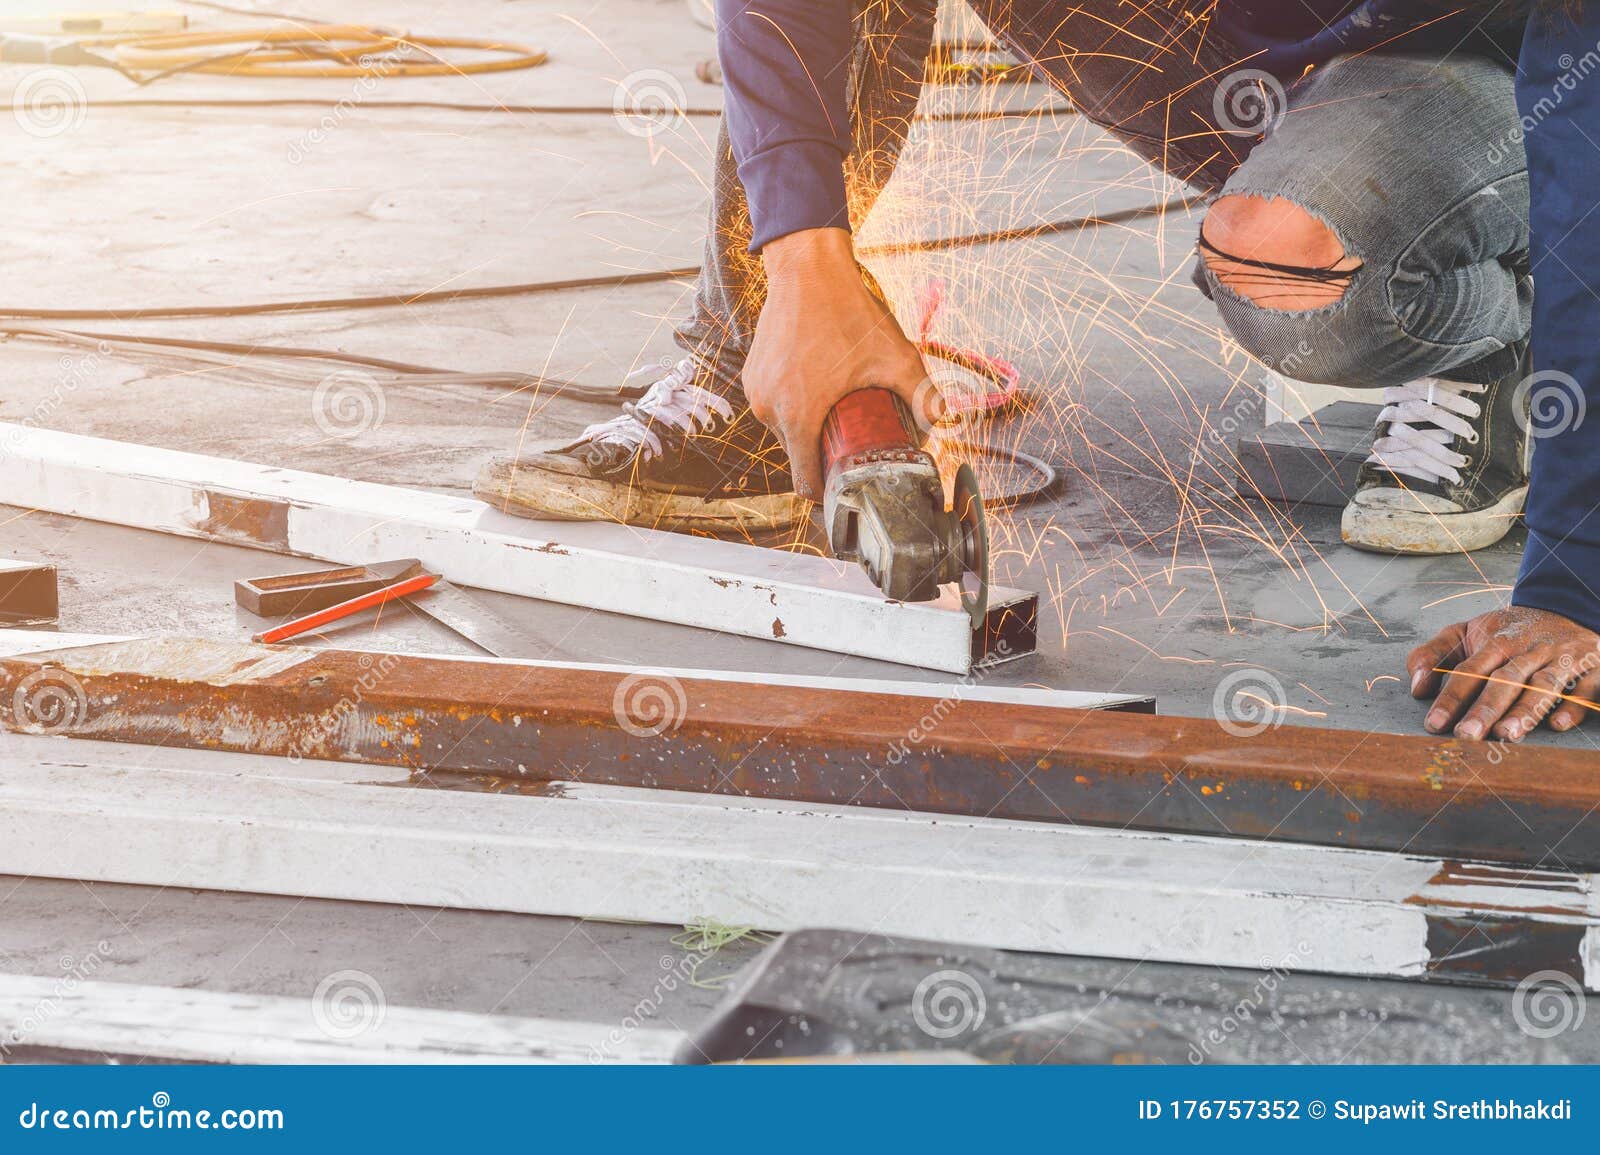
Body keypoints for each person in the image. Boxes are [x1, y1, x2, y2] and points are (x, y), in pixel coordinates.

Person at [483, 1, 1600, 741]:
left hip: (1497, 56)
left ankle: (1506, 332)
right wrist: (800, 262)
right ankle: (761, 376)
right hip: (1267, 35)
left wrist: (1576, 574)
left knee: (1298, 273)